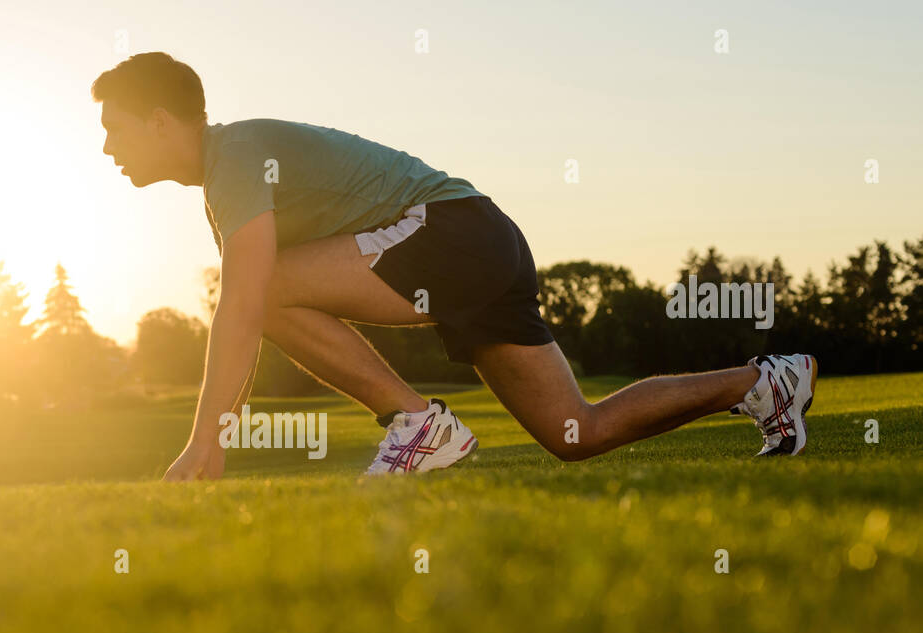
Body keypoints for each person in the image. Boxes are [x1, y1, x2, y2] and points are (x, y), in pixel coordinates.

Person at [91, 53, 817, 481]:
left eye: (114, 130)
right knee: (576, 434)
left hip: (455, 233)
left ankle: (416, 423)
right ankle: (766, 383)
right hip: (482, 241)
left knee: (261, 287)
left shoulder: (236, 158)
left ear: (160, 121)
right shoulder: (228, 177)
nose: (106, 150)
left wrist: (203, 441)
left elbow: (247, 307)